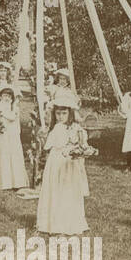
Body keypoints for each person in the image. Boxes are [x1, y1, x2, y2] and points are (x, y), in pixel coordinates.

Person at [35, 92, 90, 234]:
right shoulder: (55, 129)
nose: (60, 117)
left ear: (70, 114)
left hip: (70, 163)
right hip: (57, 162)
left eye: (64, 113)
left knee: (69, 189)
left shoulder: (77, 128)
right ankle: (55, 222)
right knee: (57, 189)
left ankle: (71, 220)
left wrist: (82, 147)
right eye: (58, 114)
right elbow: (49, 146)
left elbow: (82, 141)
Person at [0, 85, 29, 190]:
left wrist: (2, 112)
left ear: (12, 98)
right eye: (4, 95)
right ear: (0, 97)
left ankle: (15, 181)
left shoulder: (14, 108)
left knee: (12, 156)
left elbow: (12, 117)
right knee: (1, 156)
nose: (7, 98)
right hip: (0, 137)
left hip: (11, 137)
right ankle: (0, 181)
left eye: (9, 96)